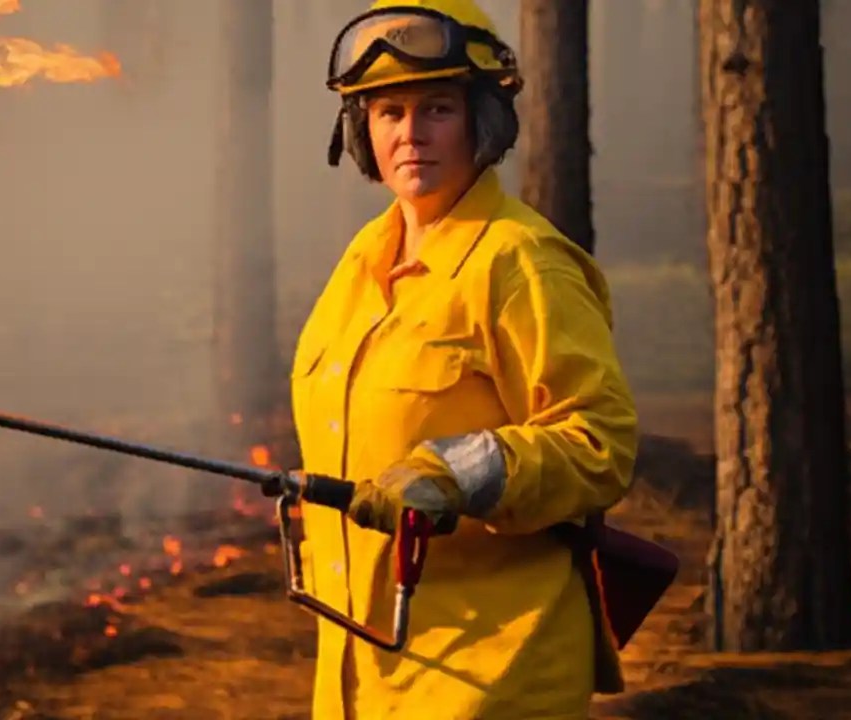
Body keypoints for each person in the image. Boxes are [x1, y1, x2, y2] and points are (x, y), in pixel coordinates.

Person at [289, 1, 639, 718]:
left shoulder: (520, 261)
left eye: (437, 108)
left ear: (484, 120)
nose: (410, 133)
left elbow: (600, 443)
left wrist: (459, 471)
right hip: (365, 673)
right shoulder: (363, 262)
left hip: (493, 678)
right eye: (388, 112)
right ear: (361, 129)